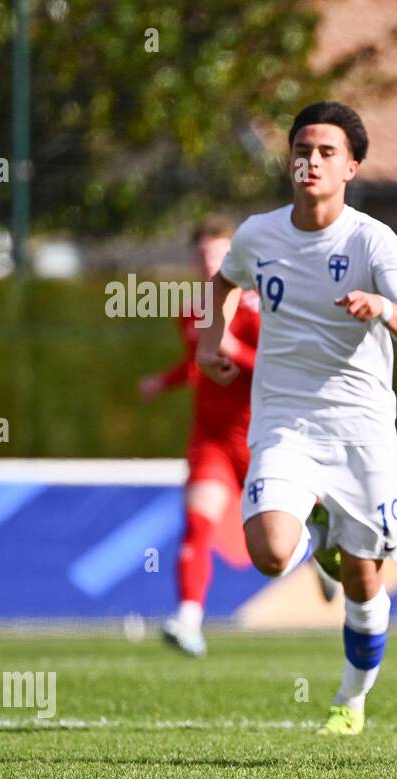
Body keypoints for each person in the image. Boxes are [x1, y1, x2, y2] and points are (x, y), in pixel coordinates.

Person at [196, 101, 397, 732]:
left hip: (361, 435)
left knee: (363, 582)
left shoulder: (371, 239)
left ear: (351, 166)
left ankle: (351, 699)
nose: (311, 161)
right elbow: (224, 281)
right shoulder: (259, 234)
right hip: (285, 423)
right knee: (271, 553)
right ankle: (314, 542)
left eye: (327, 152)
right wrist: (206, 342)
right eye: (303, 149)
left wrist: (380, 307)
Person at [140, 217, 261, 656]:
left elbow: (277, 367)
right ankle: (188, 619)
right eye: (204, 254)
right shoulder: (192, 308)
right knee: (197, 523)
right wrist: (164, 381)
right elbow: (196, 364)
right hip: (211, 439)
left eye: (221, 254)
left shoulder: (258, 305)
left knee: (281, 539)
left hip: (261, 438)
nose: (212, 263)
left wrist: (237, 351)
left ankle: (325, 556)